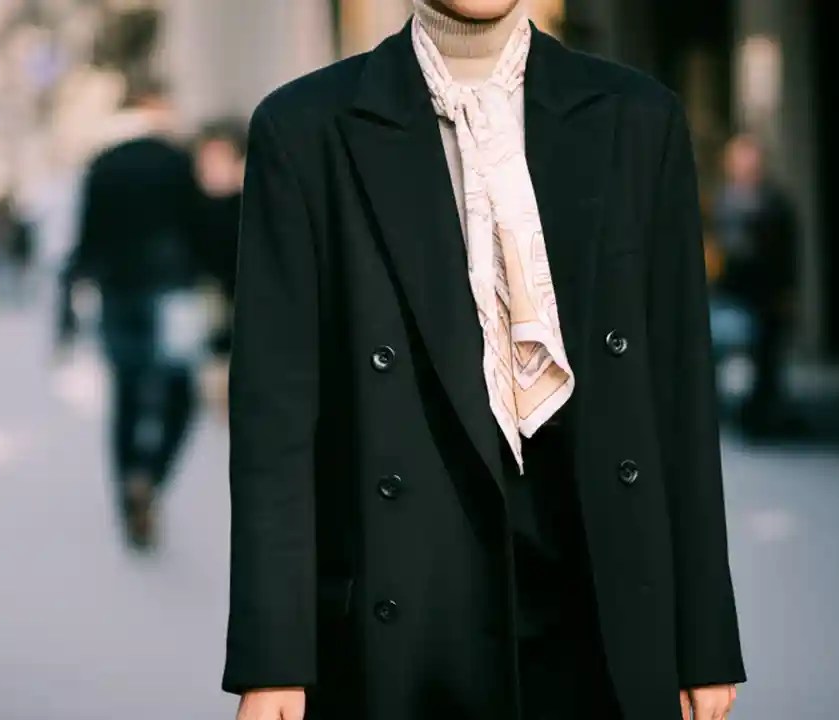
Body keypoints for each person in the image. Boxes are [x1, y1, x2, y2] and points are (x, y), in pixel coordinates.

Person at [224, 2, 745, 719]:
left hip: (603, 605)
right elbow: (275, 422)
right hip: (406, 614)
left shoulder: (638, 120)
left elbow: (680, 395)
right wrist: (274, 661)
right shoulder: (306, 129)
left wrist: (703, 639)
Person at [58, 80, 206, 550]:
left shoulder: (103, 163)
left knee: (126, 395)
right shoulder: (177, 159)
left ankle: (127, 490)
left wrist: (66, 311)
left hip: (116, 292)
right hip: (172, 290)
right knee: (181, 395)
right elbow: (201, 227)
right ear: (156, 107)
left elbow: (85, 238)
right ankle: (151, 476)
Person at [713, 134, 797, 437]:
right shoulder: (724, 201)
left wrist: (788, 291)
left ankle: (764, 412)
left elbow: (787, 251)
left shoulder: (775, 202)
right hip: (732, 291)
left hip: (766, 292)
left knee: (768, 356)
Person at [191, 119, 247, 357]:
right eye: (205, 160)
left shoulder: (255, 206)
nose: (209, 168)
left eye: (218, 159)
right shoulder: (193, 207)